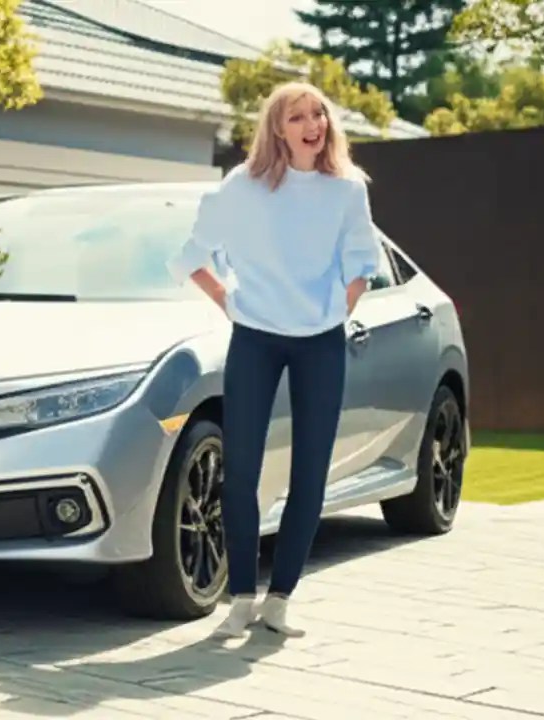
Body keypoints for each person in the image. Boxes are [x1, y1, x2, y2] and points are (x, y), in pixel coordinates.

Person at [167, 81, 379, 639]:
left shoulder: (347, 188)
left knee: (310, 472)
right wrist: (228, 302)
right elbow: (192, 255)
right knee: (241, 470)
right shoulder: (244, 186)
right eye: (297, 117)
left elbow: (362, 261)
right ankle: (240, 596)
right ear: (276, 128)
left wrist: (339, 304)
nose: (313, 125)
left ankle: (280, 597)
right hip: (256, 338)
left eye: (319, 114)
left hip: (322, 342)